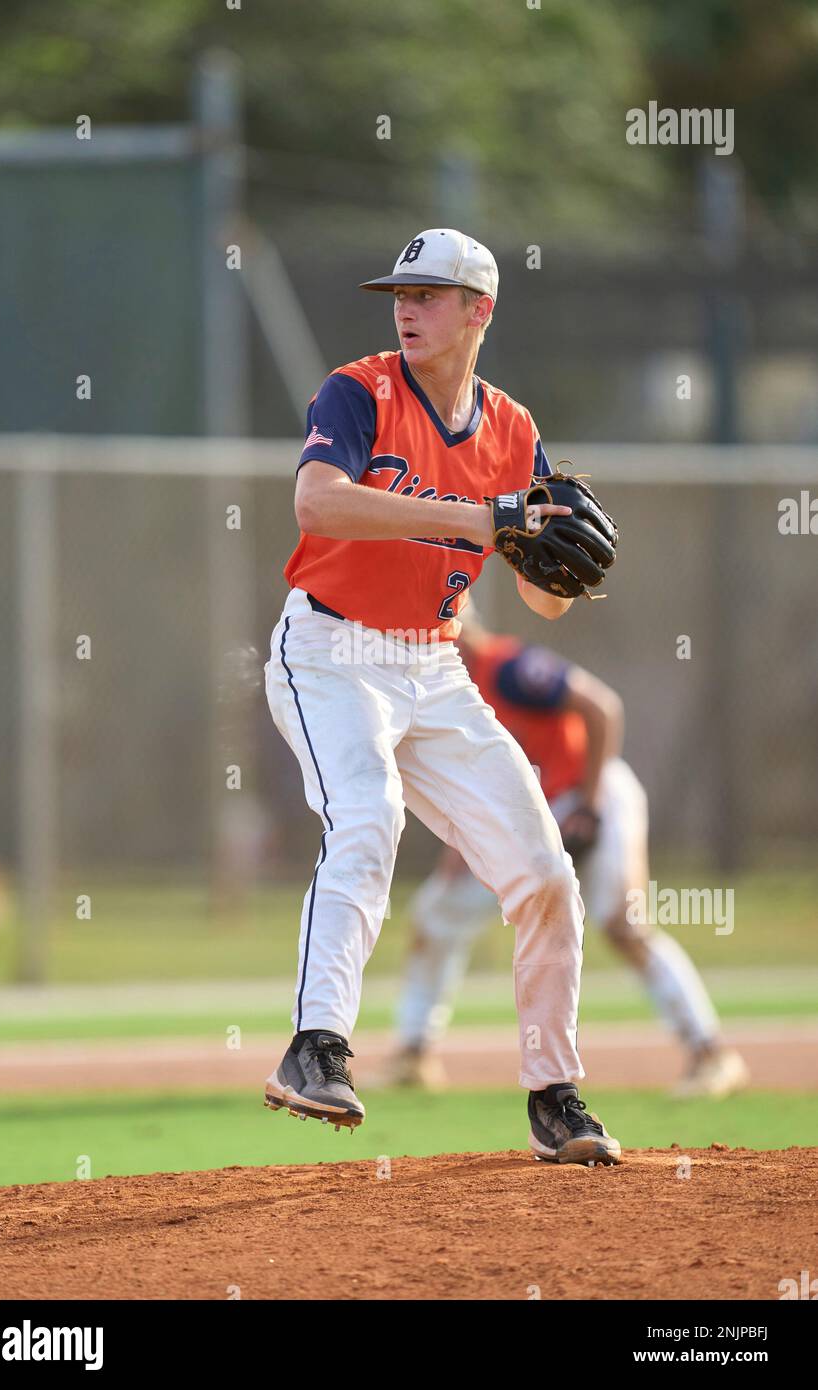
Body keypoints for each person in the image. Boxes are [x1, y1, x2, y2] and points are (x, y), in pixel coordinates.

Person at [262, 228, 621, 1164]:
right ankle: (317, 1048)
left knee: (543, 871)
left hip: (434, 666)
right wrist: (482, 516)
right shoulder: (360, 390)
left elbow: (542, 594)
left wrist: (565, 562)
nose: (407, 308)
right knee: (368, 818)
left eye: (430, 294)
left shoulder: (512, 429)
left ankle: (555, 1095)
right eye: (400, 293)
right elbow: (319, 505)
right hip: (331, 653)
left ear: (480, 311)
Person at [391, 608, 750, 1099]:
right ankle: (414, 1053)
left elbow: (602, 708)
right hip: (529, 813)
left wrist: (591, 802)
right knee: (437, 913)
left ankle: (711, 1054)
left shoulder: (507, 667)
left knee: (623, 925)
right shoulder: (433, 689)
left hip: (589, 794)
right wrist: (460, 847)